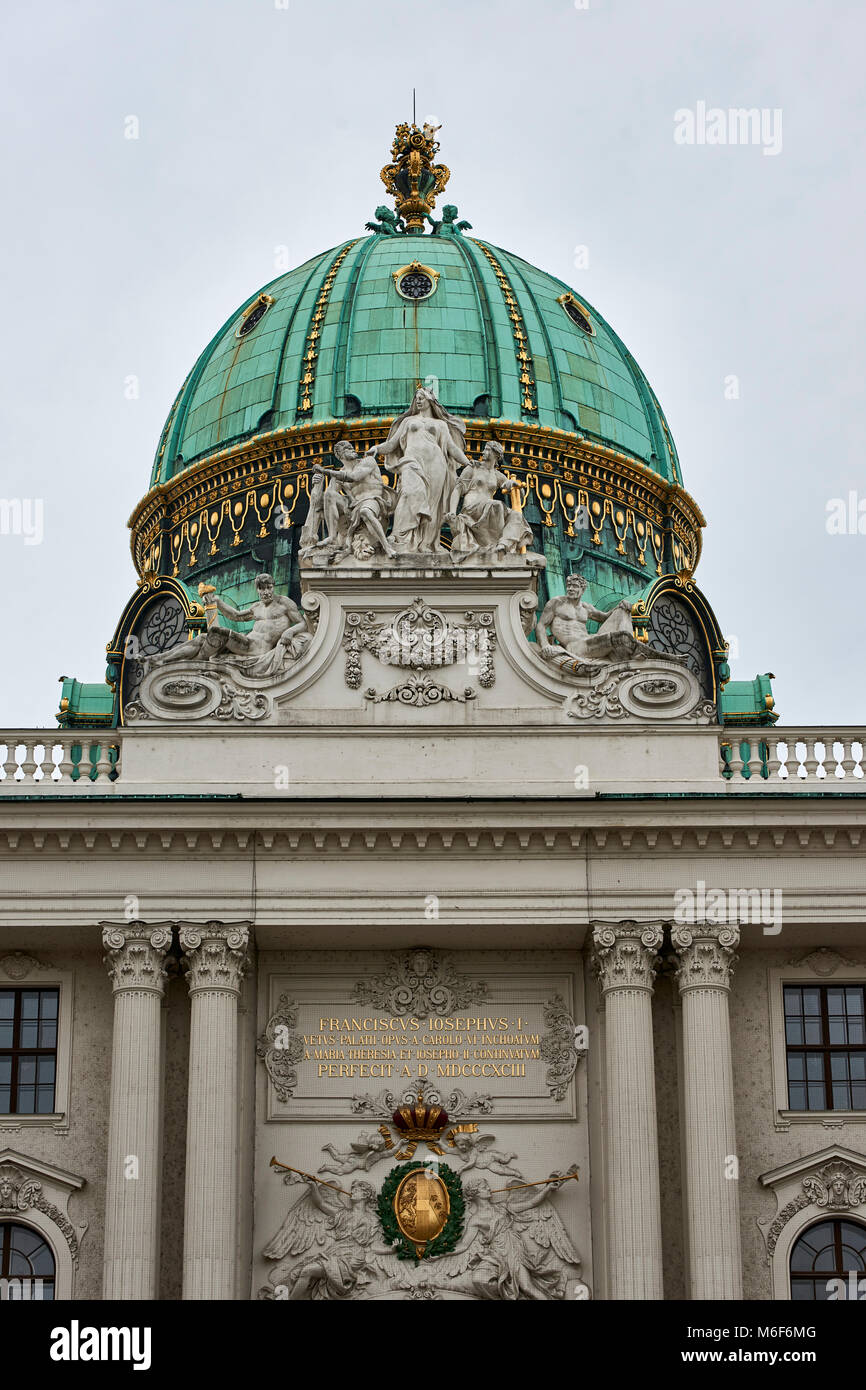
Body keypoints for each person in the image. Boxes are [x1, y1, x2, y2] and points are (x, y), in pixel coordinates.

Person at [373, 388, 472, 554]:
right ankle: (400, 538)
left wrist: (469, 463)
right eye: (416, 398)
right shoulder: (408, 421)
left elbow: (452, 448)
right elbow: (392, 444)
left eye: (421, 398)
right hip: (411, 463)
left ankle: (427, 543)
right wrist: (376, 449)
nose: (418, 401)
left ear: (430, 401)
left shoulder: (441, 424)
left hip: (436, 464)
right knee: (408, 494)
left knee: (434, 505)